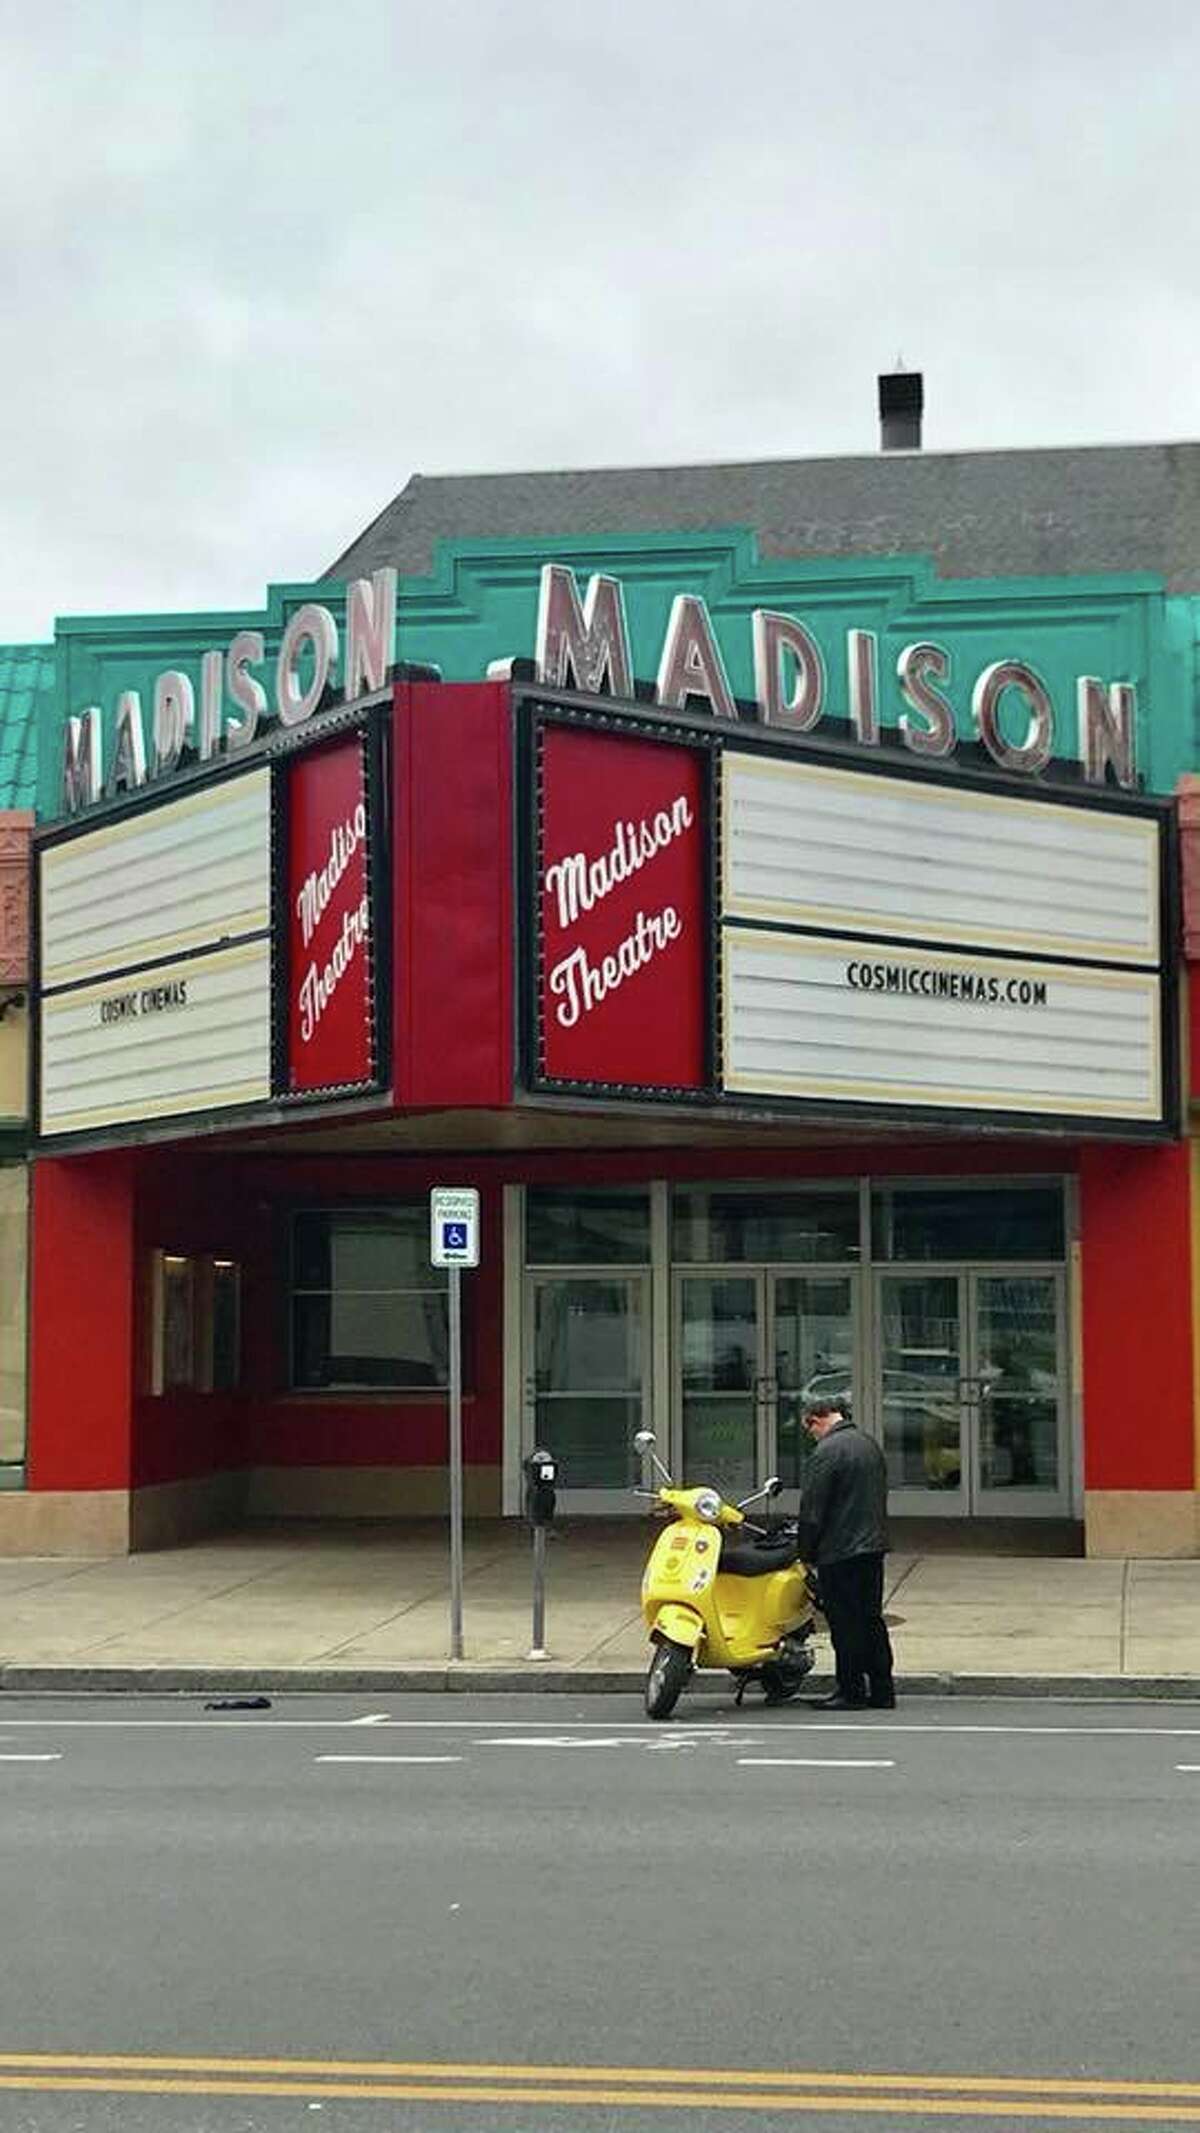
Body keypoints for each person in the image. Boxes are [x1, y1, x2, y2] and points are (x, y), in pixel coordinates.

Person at [795, 1395, 895, 1711]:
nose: (812, 1435)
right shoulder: (868, 1445)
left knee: (845, 1624)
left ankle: (850, 1690)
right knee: (871, 1620)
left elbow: (813, 1510)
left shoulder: (826, 1452)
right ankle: (882, 1689)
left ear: (818, 1419)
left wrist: (805, 1552)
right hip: (872, 1545)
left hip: (840, 1550)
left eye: (809, 1428)